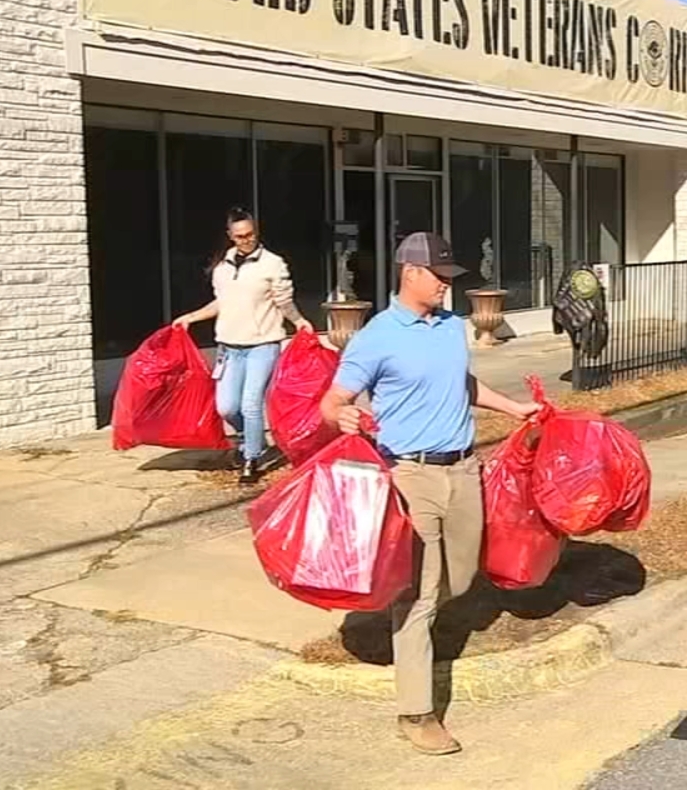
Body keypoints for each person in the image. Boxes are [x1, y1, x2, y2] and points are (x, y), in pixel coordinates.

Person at [319, 232, 540, 756]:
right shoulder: (377, 335)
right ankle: (417, 712)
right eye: (439, 277)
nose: (446, 286)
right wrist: (341, 415)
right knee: (419, 595)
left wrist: (514, 410)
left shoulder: (449, 328)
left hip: (462, 470)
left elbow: (458, 385)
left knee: (458, 580)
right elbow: (333, 398)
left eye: (449, 278)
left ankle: (406, 619)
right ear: (409, 273)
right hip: (409, 476)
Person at [172, 206, 310, 483]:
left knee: (250, 404)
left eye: (249, 234)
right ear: (230, 236)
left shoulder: (273, 263)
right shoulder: (222, 268)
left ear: (256, 232)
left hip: (262, 343)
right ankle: (251, 438)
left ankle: (251, 458)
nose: (245, 240)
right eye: (239, 236)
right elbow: (221, 302)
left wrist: (299, 321)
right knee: (226, 407)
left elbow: (283, 301)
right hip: (229, 347)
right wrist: (192, 317)